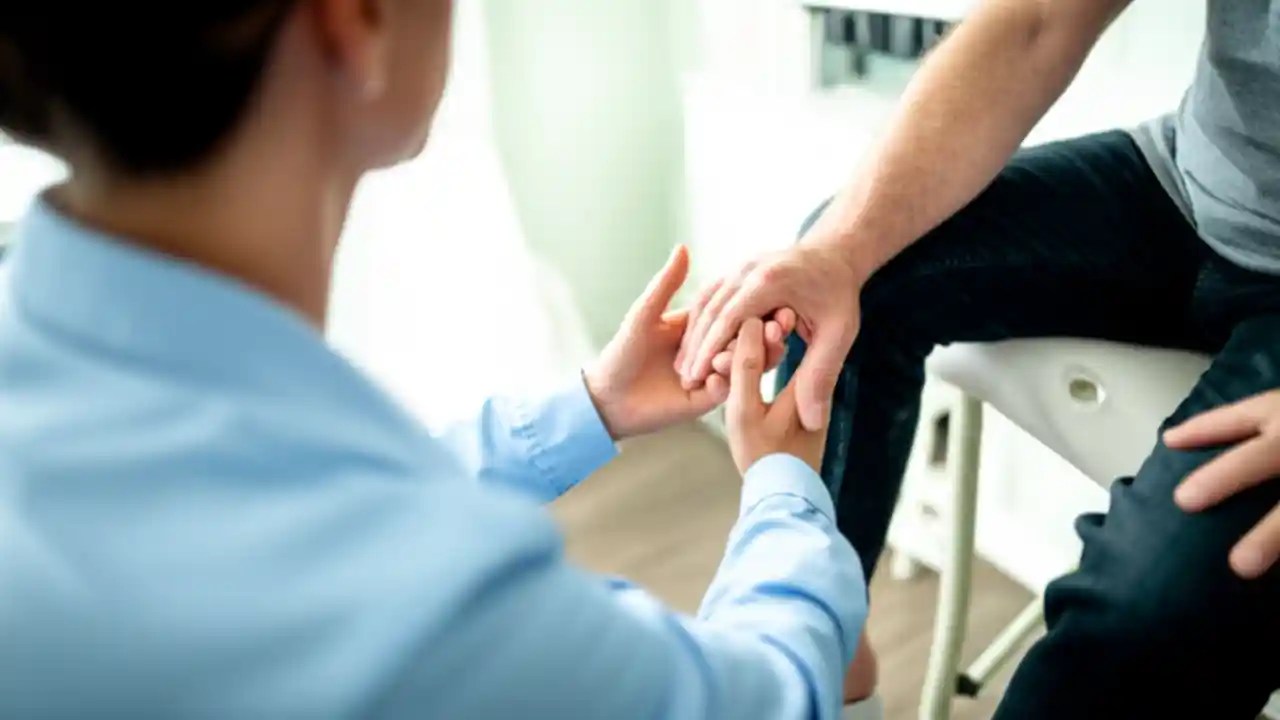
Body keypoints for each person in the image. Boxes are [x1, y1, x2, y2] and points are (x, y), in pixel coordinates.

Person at [0, 3, 868, 718]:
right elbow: (767, 699)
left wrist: (591, 408)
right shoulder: (426, 607)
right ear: (353, 21)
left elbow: (303, 505)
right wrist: (784, 489)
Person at [677, 0, 1280, 717]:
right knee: (845, 281)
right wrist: (839, 251)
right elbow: (1035, 21)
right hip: (1194, 186)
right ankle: (823, 654)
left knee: (1152, 608)